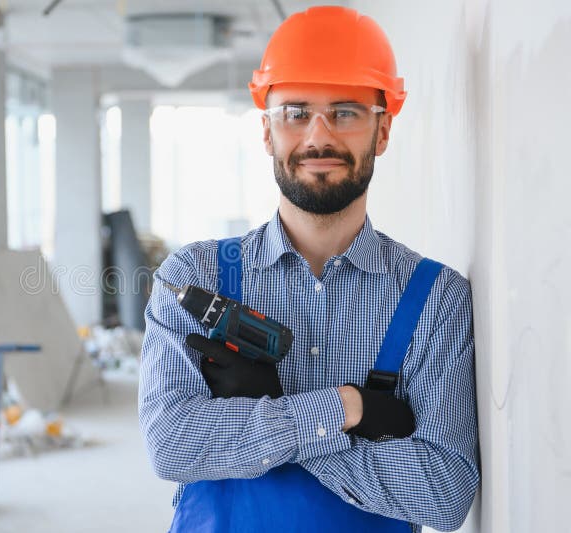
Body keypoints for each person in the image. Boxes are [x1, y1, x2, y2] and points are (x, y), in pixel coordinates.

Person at [138, 5, 479, 533]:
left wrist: (267, 416)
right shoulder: (194, 276)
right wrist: (344, 410)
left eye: (346, 111)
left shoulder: (436, 298)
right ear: (268, 133)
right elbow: (172, 446)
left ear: (382, 132)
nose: (319, 137)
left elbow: (442, 492)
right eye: (296, 112)